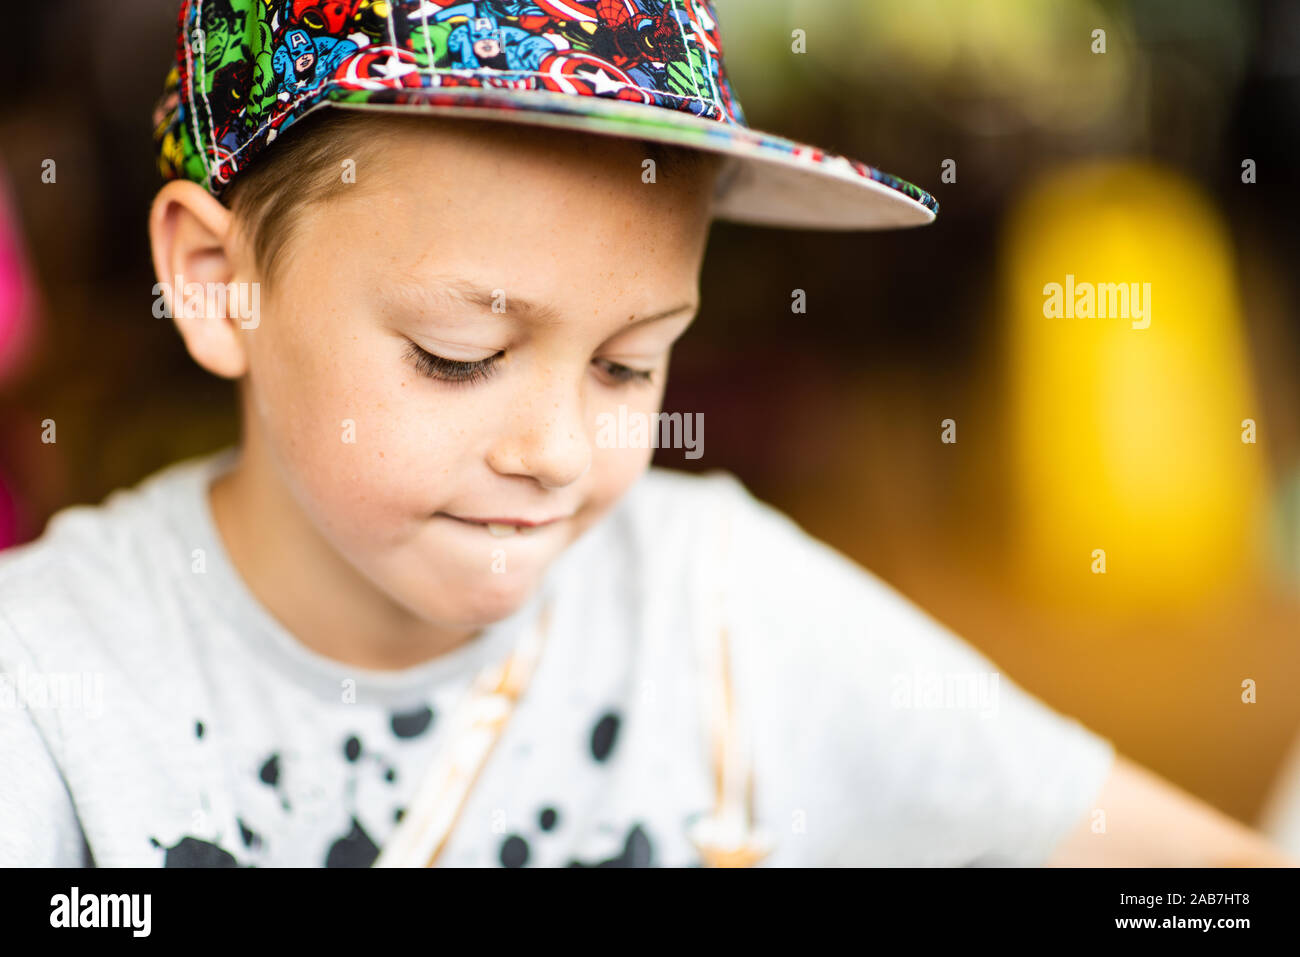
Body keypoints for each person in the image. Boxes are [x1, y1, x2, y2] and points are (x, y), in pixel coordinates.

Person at [0, 0, 1290, 867]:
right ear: (221, 280)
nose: (559, 448)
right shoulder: (49, 689)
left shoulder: (722, 607)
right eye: (463, 356)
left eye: (628, 364)